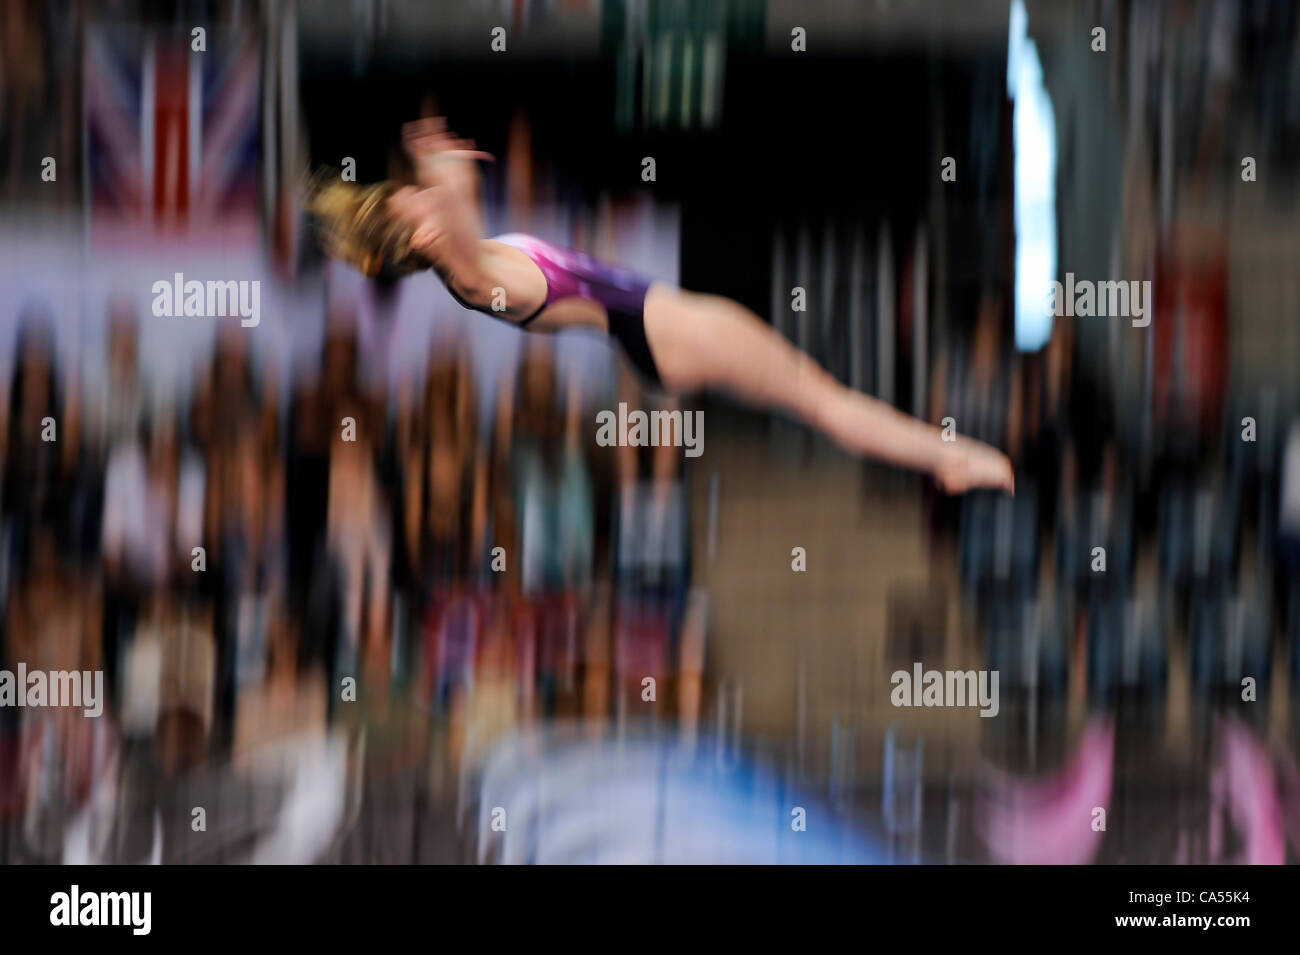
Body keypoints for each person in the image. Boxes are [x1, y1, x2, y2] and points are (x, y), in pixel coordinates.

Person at [309, 116, 1014, 495]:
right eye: (417, 196)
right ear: (425, 232)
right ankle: (945, 458)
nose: (430, 185)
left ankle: (942, 456)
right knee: (820, 398)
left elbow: (456, 199)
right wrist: (436, 168)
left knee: (817, 395)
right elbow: (453, 203)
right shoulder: (466, 269)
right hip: (663, 330)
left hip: (656, 331)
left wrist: (431, 175)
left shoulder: (470, 259)